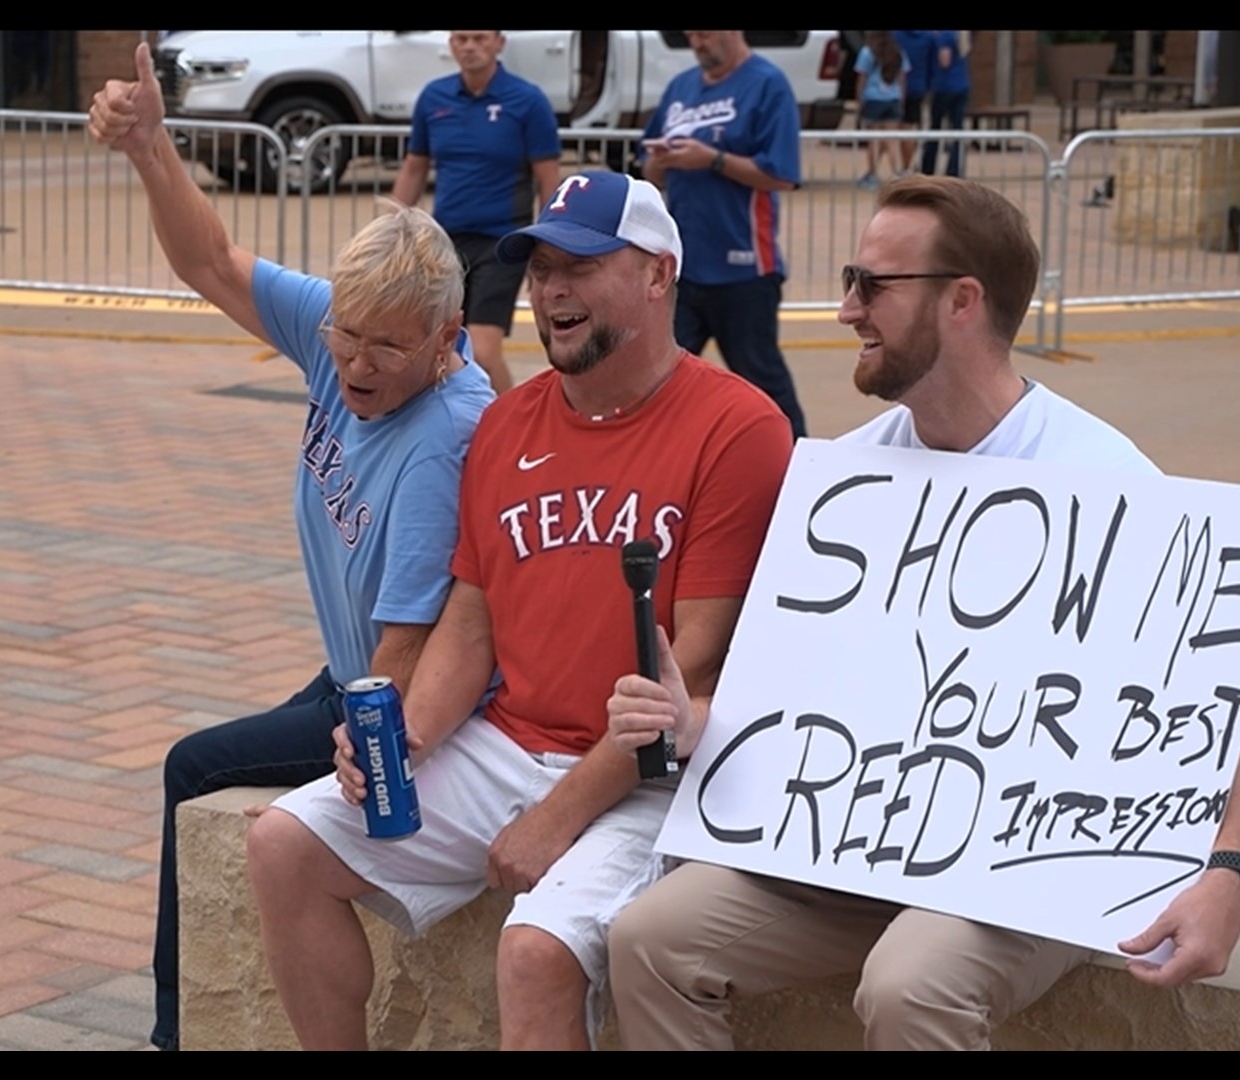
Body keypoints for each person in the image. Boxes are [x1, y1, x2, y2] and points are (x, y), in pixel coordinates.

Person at [605, 176, 1240, 1051]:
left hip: (1025, 861)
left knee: (911, 985)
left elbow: (1197, 715)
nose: (846, 309)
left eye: (871, 284)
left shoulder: (1105, 481)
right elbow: (797, 681)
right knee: (648, 939)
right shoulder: (846, 475)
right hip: (854, 842)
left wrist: (1229, 871)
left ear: (962, 301)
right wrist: (693, 723)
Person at [244, 170, 794, 1050]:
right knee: (284, 846)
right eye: (540, 269)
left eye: (580, 266)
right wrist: (405, 742)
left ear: (659, 274)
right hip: (505, 746)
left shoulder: (740, 427)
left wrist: (557, 815)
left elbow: (693, 668)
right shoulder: (507, 423)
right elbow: (472, 624)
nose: (551, 290)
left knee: (535, 951)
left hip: (654, 775)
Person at [87, 42, 496, 1051]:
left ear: (447, 337)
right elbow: (211, 262)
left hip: (405, 698)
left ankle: (173, 1036)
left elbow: (407, 653)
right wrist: (152, 150)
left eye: (385, 346)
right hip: (351, 667)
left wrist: (371, 766)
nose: (354, 363)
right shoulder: (338, 332)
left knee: (196, 767)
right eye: (345, 335)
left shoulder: (446, 438)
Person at [642, 30, 809, 440]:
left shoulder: (767, 84)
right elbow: (648, 167)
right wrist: (659, 162)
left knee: (762, 381)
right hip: (682, 269)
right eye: (691, 35)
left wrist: (712, 160)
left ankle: (800, 460)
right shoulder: (681, 88)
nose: (697, 42)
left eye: (705, 33)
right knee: (653, 378)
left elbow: (782, 175)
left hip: (744, 267)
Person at [391, 30, 563, 396]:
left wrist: (549, 247)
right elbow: (414, 168)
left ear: (499, 43)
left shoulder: (527, 100)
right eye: (461, 38)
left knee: (483, 351)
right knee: (438, 348)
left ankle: (512, 421)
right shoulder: (433, 98)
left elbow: (548, 179)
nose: (470, 47)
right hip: (446, 244)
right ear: (451, 44)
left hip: (501, 242)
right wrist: (389, 231)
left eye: (479, 38)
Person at [854, 33, 911, 188]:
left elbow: (862, 78)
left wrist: (859, 100)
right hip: (893, 98)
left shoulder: (867, 52)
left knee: (873, 140)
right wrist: (901, 98)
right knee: (891, 139)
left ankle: (872, 175)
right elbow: (902, 78)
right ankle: (895, 173)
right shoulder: (898, 52)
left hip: (873, 98)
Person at [919, 31, 971, 178]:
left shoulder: (943, 36)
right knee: (957, 129)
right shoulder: (959, 35)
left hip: (943, 87)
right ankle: (955, 168)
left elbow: (944, 60)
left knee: (935, 128)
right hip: (962, 85)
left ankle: (928, 167)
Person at [890, 30, 935, 175]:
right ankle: (908, 165)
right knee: (911, 128)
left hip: (895, 88)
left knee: (894, 129)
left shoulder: (896, 35)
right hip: (919, 87)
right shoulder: (928, 37)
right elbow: (932, 64)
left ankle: (900, 166)